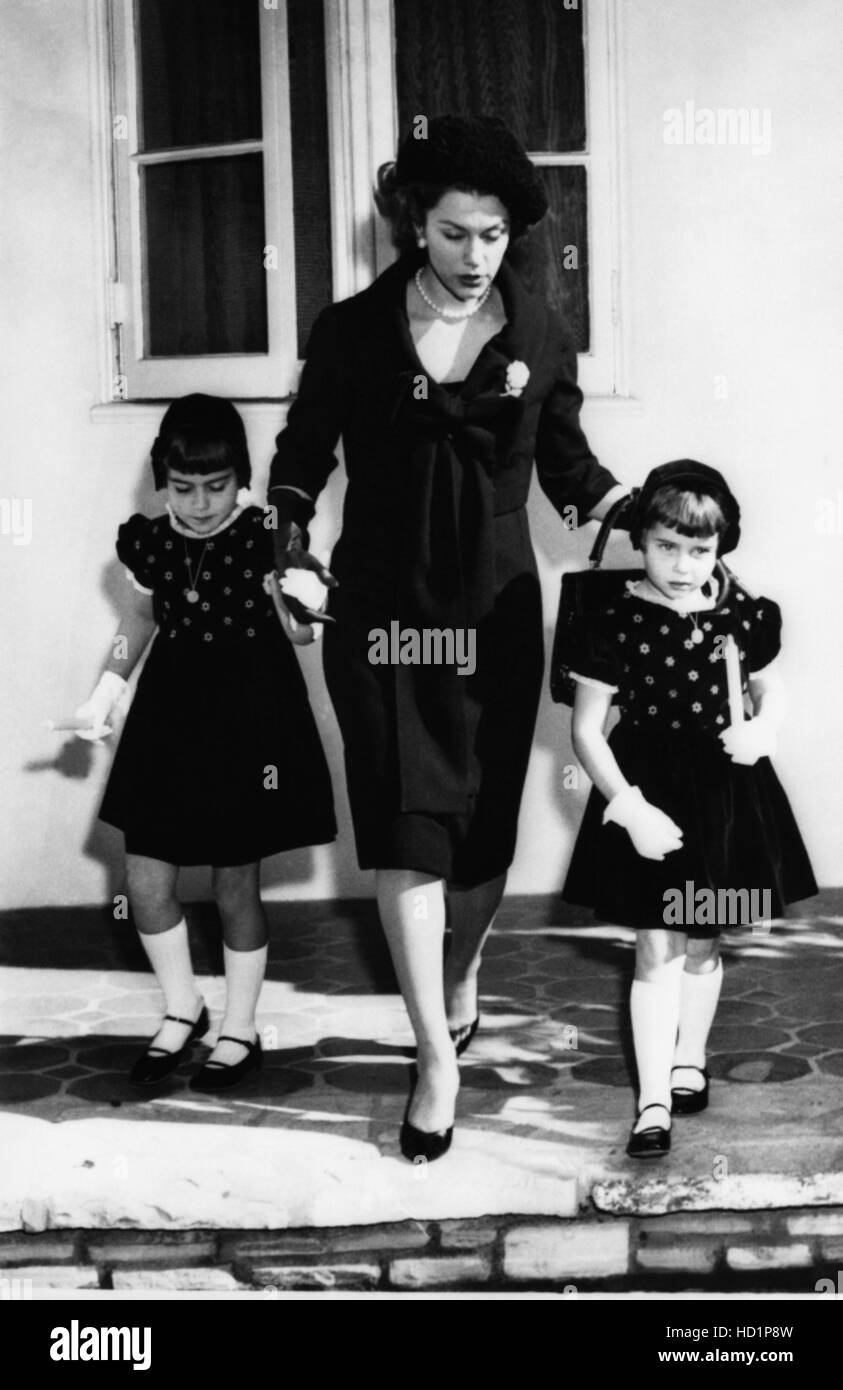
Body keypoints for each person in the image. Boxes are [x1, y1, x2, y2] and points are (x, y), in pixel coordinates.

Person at [267, 115, 626, 1161]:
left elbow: (571, 473)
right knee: (404, 829)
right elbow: (300, 458)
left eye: (496, 235)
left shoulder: (541, 334)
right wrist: (290, 545)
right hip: (381, 612)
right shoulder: (350, 331)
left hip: (497, 613)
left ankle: (462, 971)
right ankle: (435, 1053)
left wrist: (644, 521)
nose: (478, 258)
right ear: (415, 225)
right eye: (458, 233)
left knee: (477, 842)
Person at [75, 395, 336, 1090]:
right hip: (169, 720)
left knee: (233, 881)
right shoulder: (149, 542)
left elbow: (301, 633)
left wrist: (298, 594)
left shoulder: (263, 535)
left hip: (250, 723)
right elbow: (138, 623)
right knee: (144, 879)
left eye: (215, 487)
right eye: (182, 488)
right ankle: (181, 1006)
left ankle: (241, 1024)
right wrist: (104, 694)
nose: (198, 503)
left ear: (241, 478)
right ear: (162, 481)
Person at [558, 461, 817, 1157]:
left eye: (698, 550)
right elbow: (585, 730)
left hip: (722, 793)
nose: (682, 564)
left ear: (719, 547)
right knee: (654, 945)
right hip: (647, 790)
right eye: (666, 546)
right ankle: (649, 1105)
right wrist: (627, 807)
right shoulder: (612, 621)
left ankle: (687, 1059)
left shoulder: (739, 610)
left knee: (701, 942)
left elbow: (771, 690)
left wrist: (763, 730)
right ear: (639, 540)